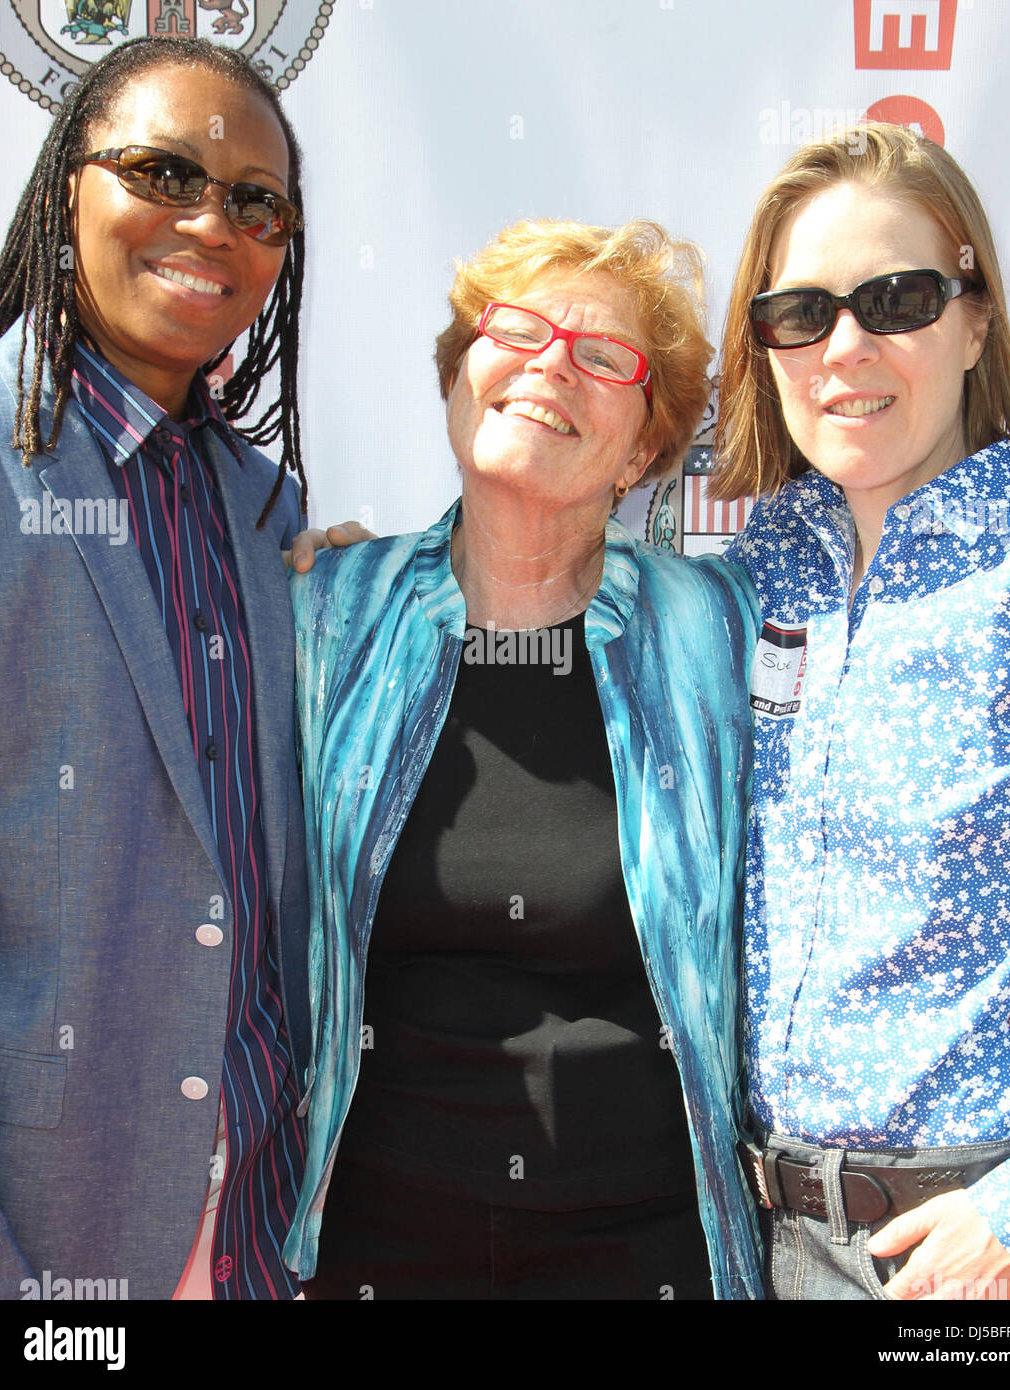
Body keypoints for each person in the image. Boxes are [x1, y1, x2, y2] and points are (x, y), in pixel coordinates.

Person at [283, 219, 764, 1299]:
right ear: (460, 375)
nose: (551, 365)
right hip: (373, 1238)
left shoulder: (717, 632)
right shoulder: (327, 615)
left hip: (645, 1244)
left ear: (641, 454)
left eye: (604, 357)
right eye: (517, 332)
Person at [0, 36, 312, 1299]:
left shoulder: (270, 511)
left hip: (264, 1225)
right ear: (67, 187)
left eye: (255, 203)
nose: (211, 223)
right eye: (163, 173)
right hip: (46, 1239)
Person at [715, 122, 1010, 1300]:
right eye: (801, 313)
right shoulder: (754, 578)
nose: (844, 348)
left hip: (971, 1247)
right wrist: (362, 579)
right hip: (759, 1241)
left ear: (975, 322)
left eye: (897, 301)